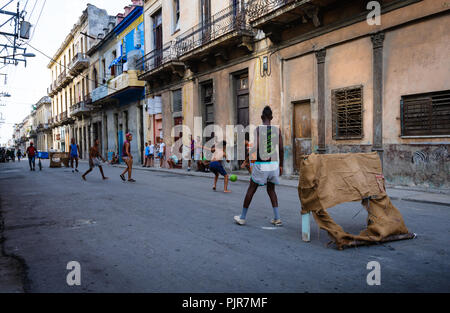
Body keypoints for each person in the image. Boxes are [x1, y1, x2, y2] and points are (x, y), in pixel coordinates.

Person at [234, 106, 284, 226]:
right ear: (271, 117)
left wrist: (247, 158)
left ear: (262, 117)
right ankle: (277, 218)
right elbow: (281, 149)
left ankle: (242, 217)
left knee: (251, 189)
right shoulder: (277, 130)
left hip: (262, 164)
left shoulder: (258, 129)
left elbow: (256, 147)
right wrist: (281, 165)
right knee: (271, 190)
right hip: (273, 165)